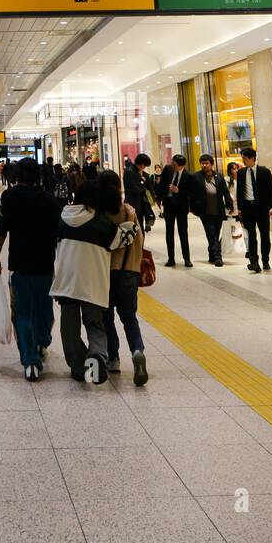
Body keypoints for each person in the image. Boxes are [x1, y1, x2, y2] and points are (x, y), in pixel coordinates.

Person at [50, 181, 137, 384]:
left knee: (69, 328)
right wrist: (130, 219)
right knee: (95, 324)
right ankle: (97, 355)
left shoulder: (63, 218)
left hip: (67, 283)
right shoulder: (101, 222)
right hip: (93, 284)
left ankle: (79, 367)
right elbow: (123, 238)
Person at [0, 158, 63, 381]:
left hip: (20, 264)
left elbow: (2, 228)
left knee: (22, 312)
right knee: (43, 308)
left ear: (18, 175)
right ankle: (42, 341)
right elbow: (57, 233)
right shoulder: (49, 199)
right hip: (44, 264)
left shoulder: (10, 197)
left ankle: (30, 361)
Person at [98, 171, 149, 386]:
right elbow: (140, 240)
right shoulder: (129, 211)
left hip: (106, 272)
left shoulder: (99, 213)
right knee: (129, 317)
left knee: (106, 317)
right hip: (129, 272)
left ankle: (114, 358)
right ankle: (137, 350)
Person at [235, 147, 272, 273]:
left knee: (265, 236)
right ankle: (254, 261)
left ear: (253, 158)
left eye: (245, 158)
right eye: (242, 158)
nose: (243, 161)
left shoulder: (264, 172)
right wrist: (240, 209)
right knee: (251, 235)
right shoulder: (241, 173)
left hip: (262, 208)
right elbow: (239, 191)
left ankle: (265, 260)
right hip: (248, 208)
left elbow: (271, 190)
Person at [191, 154, 234, 267]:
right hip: (204, 211)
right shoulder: (196, 177)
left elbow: (225, 191)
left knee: (216, 232)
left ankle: (211, 253)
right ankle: (218, 257)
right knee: (211, 233)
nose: (204, 165)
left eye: (206, 163)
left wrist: (230, 204)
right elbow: (192, 194)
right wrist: (192, 208)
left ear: (211, 164)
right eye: (202, 163)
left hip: (218, 210)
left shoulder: (219, 176)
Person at [161, 154, 194, 268]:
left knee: (183, 233)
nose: (172, 164)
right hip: (169, 205)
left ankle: (187, 259)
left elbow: (191, 193)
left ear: (180, 165)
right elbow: (162, 185)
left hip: (181, 207)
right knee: (169, 233)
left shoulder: (189, 176)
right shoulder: (168, 170)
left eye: (174, 163)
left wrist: (179, 190)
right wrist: (160, 198)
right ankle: (171, 258)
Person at [124, 153, 150, 223]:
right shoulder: (130, 172)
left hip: (138, 204)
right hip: (133, 204)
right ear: (141, 163)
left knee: (140, 226)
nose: (144, 167)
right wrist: (144, 189)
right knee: (136, 227)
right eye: (145, 165)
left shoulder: (136, 171)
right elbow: (134, 189)